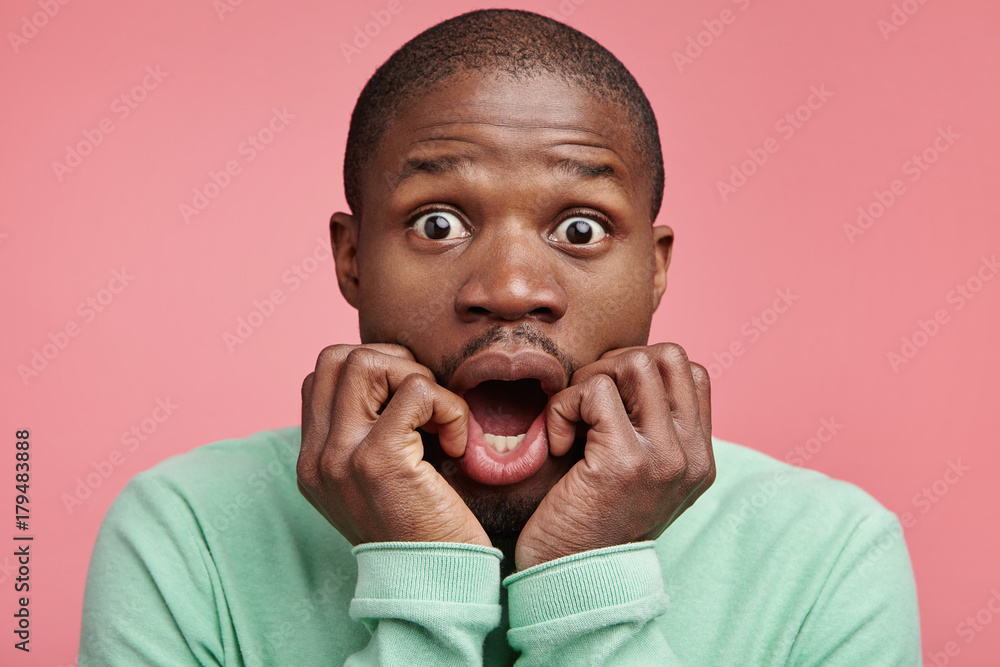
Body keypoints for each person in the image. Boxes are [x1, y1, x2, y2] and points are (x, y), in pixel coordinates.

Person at [80, 9, 920, 665]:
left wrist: (590, 591)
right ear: (351, 258)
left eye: (582, 230)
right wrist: (419, 582)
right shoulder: (183, 532)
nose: (511, 287)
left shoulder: (830, 555)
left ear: (655, 270)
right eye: (437, 223)